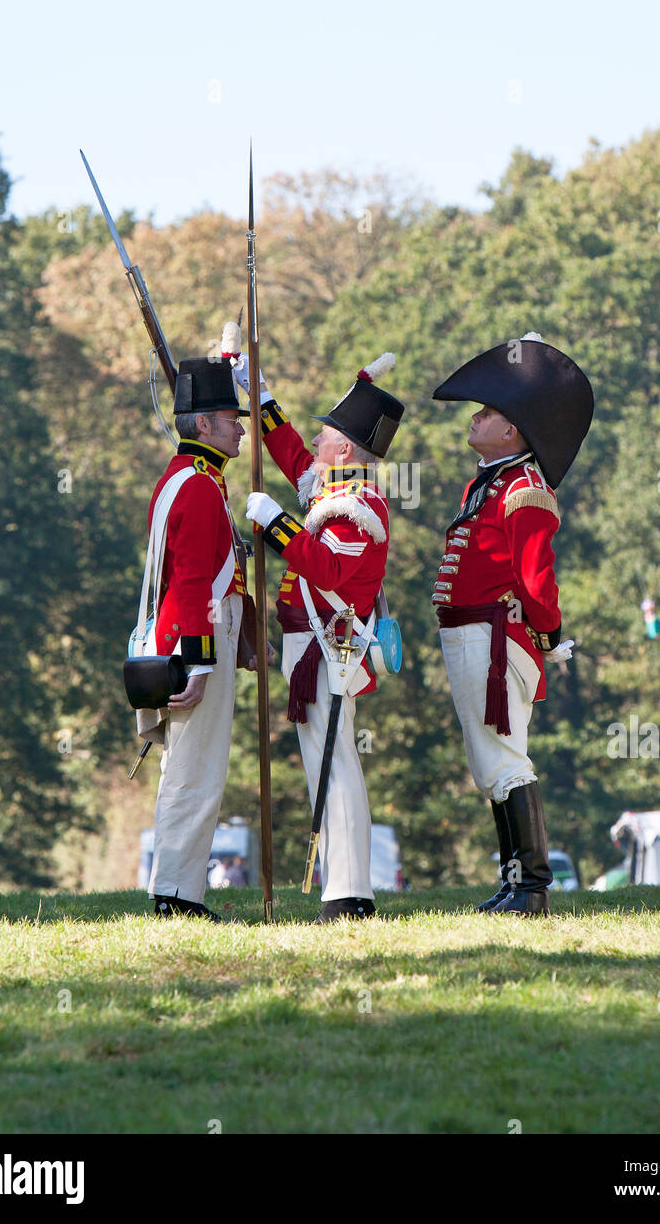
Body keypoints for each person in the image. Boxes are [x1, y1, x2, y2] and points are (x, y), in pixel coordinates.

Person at [237, 352, 404, 923]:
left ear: (347, 450)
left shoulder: (355, 507)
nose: (316, 439)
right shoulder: (334, 491)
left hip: (329, 648)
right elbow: (293, 456)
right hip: (313, 648)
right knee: (325, 765)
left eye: (326, 434)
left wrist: (276, 522)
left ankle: (351, 893)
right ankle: (344, 887)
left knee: (335, 766)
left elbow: (327, 570)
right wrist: (260, 402)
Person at [432, 334, 593, 916]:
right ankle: (514, 879)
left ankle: (531, 888)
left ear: (515, 431)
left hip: (496, 638)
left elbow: (536, 582)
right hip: (474, 634)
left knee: (504, 759)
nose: (477, 417)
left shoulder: (523, 489)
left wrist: (547, 635)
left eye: (490, 411)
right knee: (489, 761)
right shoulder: (493, 481)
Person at [146, 354, 247, 921]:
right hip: (195, 637)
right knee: (196, 771)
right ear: (203, 424)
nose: (239, 427)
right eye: (230, 417)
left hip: (191, 631)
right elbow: (188, 582)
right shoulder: (202, 487)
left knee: (191, 768)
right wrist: (201, 661)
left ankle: (178, 890)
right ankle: (177, 895)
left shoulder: (187, 477)